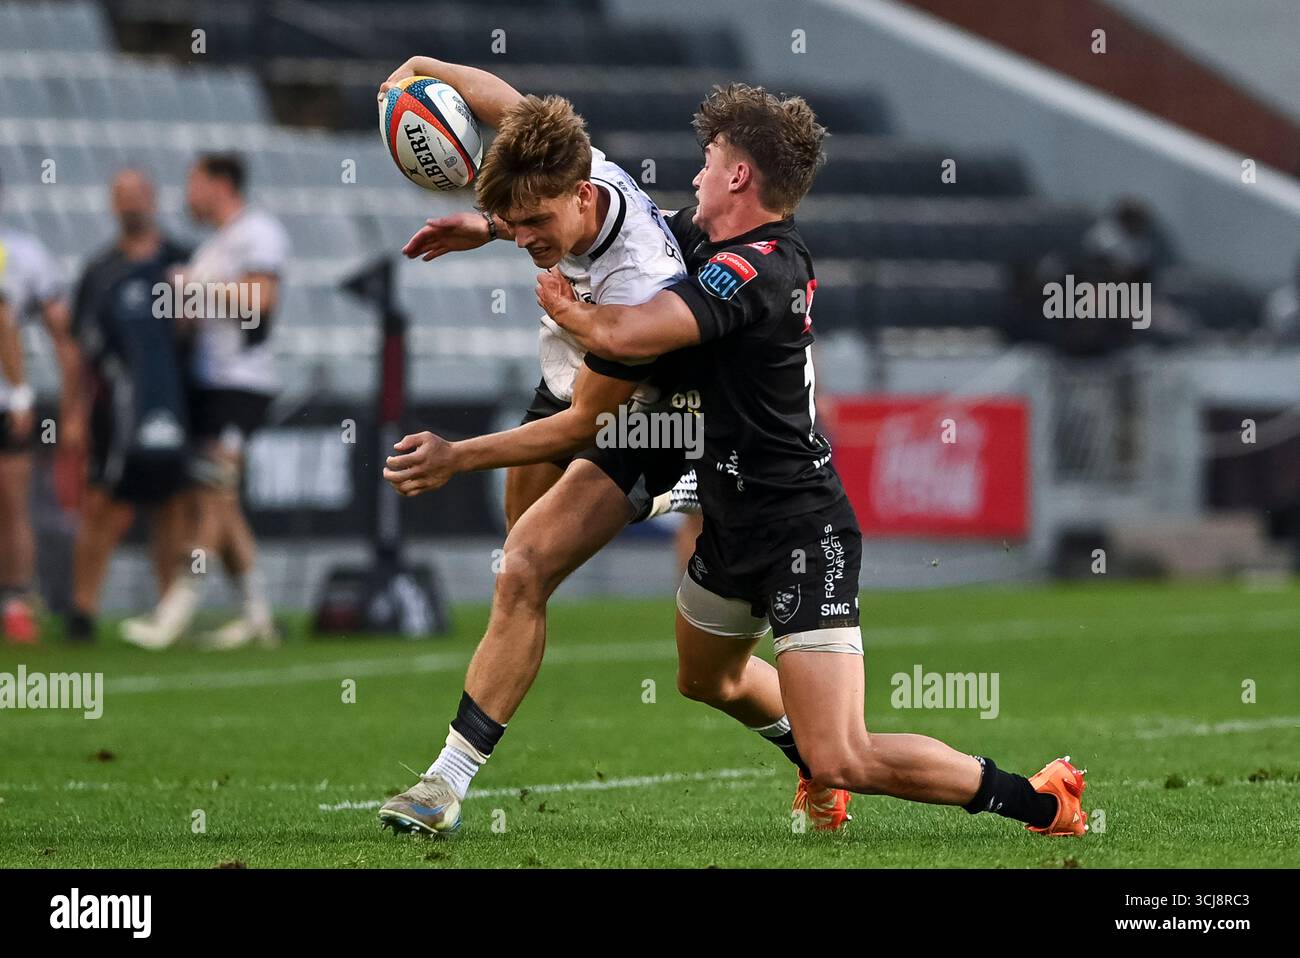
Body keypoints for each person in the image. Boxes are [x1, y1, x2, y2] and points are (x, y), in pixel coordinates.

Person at [531, 83, 1088, 837]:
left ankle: (1044, 801)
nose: (695, 175)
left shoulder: (758, 265)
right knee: (706, 678)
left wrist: (569, 311)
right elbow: (600, 215)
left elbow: (632, 336)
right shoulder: (709, 245)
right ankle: (811, 759)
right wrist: (492, 223)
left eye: (707, 160)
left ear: (738, 177)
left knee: (844, 755)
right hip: (732, 521)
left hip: (799, 528)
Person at [120, 154, 288, 650]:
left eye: (194, 182)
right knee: (223, 500)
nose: (187, 194)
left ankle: (175, 607)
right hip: (211, 384)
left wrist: (192, 288)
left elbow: (260, 301)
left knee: (213, 495)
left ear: (220, 184)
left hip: (242, 383)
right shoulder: (215, 244)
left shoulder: (258, 232)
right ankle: (257, 614)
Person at [66, 169, 194, 643]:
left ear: (154, 199)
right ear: (112, 204)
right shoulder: (100, 272)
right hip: (114, 408)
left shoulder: (182, 262)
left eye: (139, 194)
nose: (131, 204)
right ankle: (83, 610)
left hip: (174, 403)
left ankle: (167, 613)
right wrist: (74, 413)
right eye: (122, 197)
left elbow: (207, 337)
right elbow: (78, 350)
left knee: (172, 506)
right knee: (100, 502)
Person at [0, 168, 83, 644]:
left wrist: (68, 409)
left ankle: (15, 602)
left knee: (12, 502)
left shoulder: (23, 253)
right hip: (14, 397)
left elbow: (61, 334)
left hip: (9, 401)